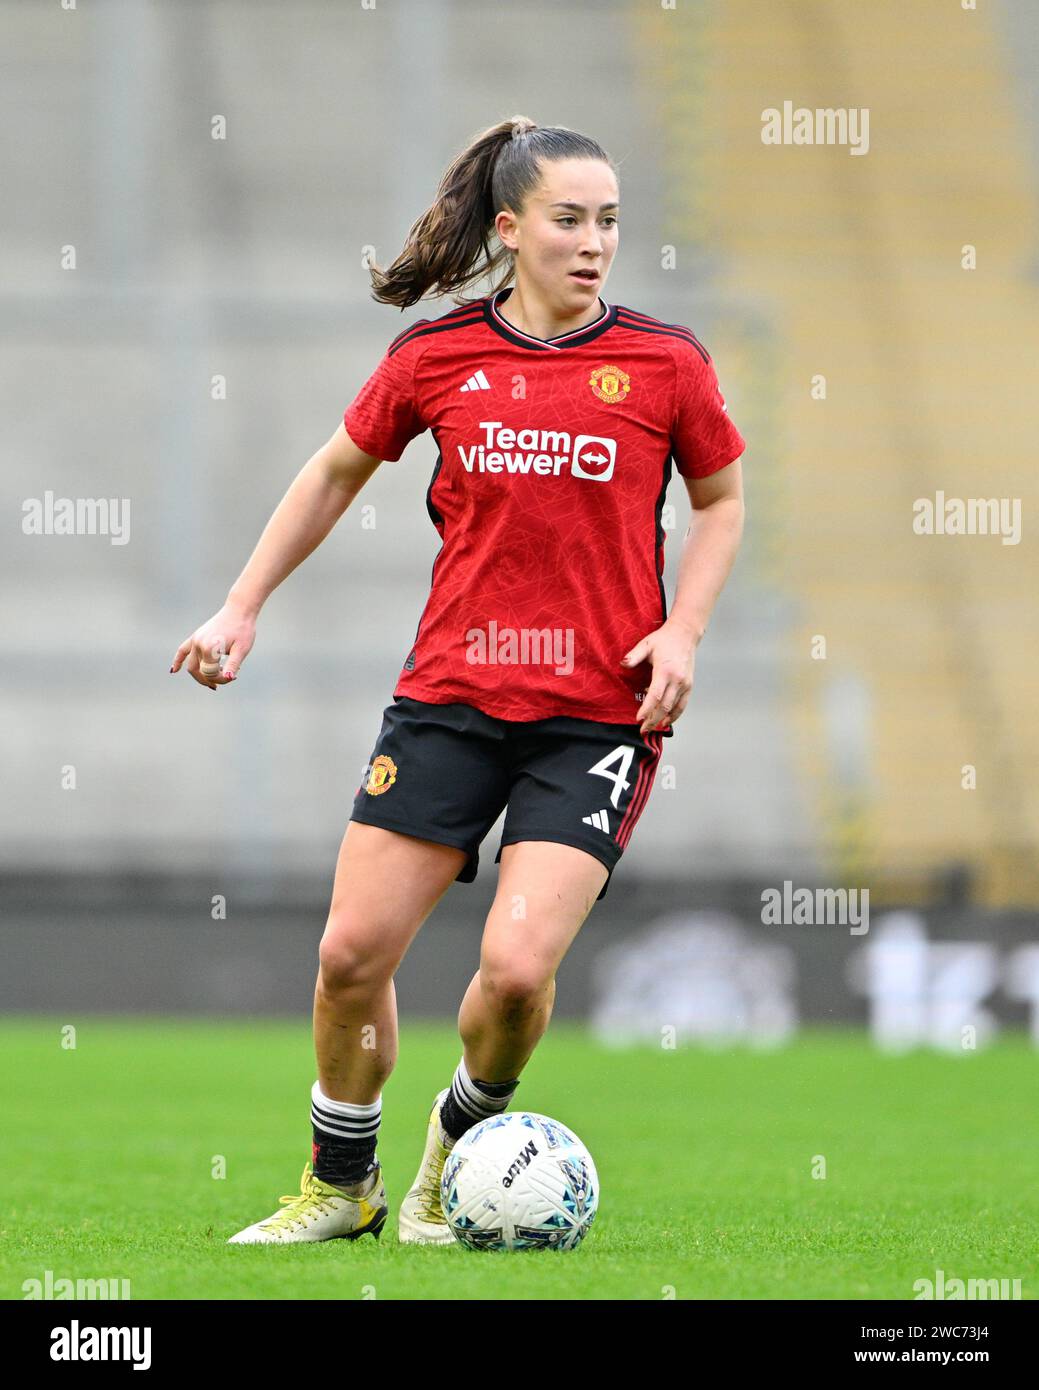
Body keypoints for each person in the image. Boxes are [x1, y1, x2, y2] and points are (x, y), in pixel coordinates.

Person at [170, 115, 746, 1245]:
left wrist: (681, 630)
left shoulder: (666, 363)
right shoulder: (438, 358)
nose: (594, 243)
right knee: (348, 955)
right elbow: (333, 473)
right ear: (511, 226)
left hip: (594, 717)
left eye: (610, 221)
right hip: (448, 699)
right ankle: (342, 1187)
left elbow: (721, 500)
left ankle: (446, 1158)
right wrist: (241, 604)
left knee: (518, 972)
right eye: (570, 219)